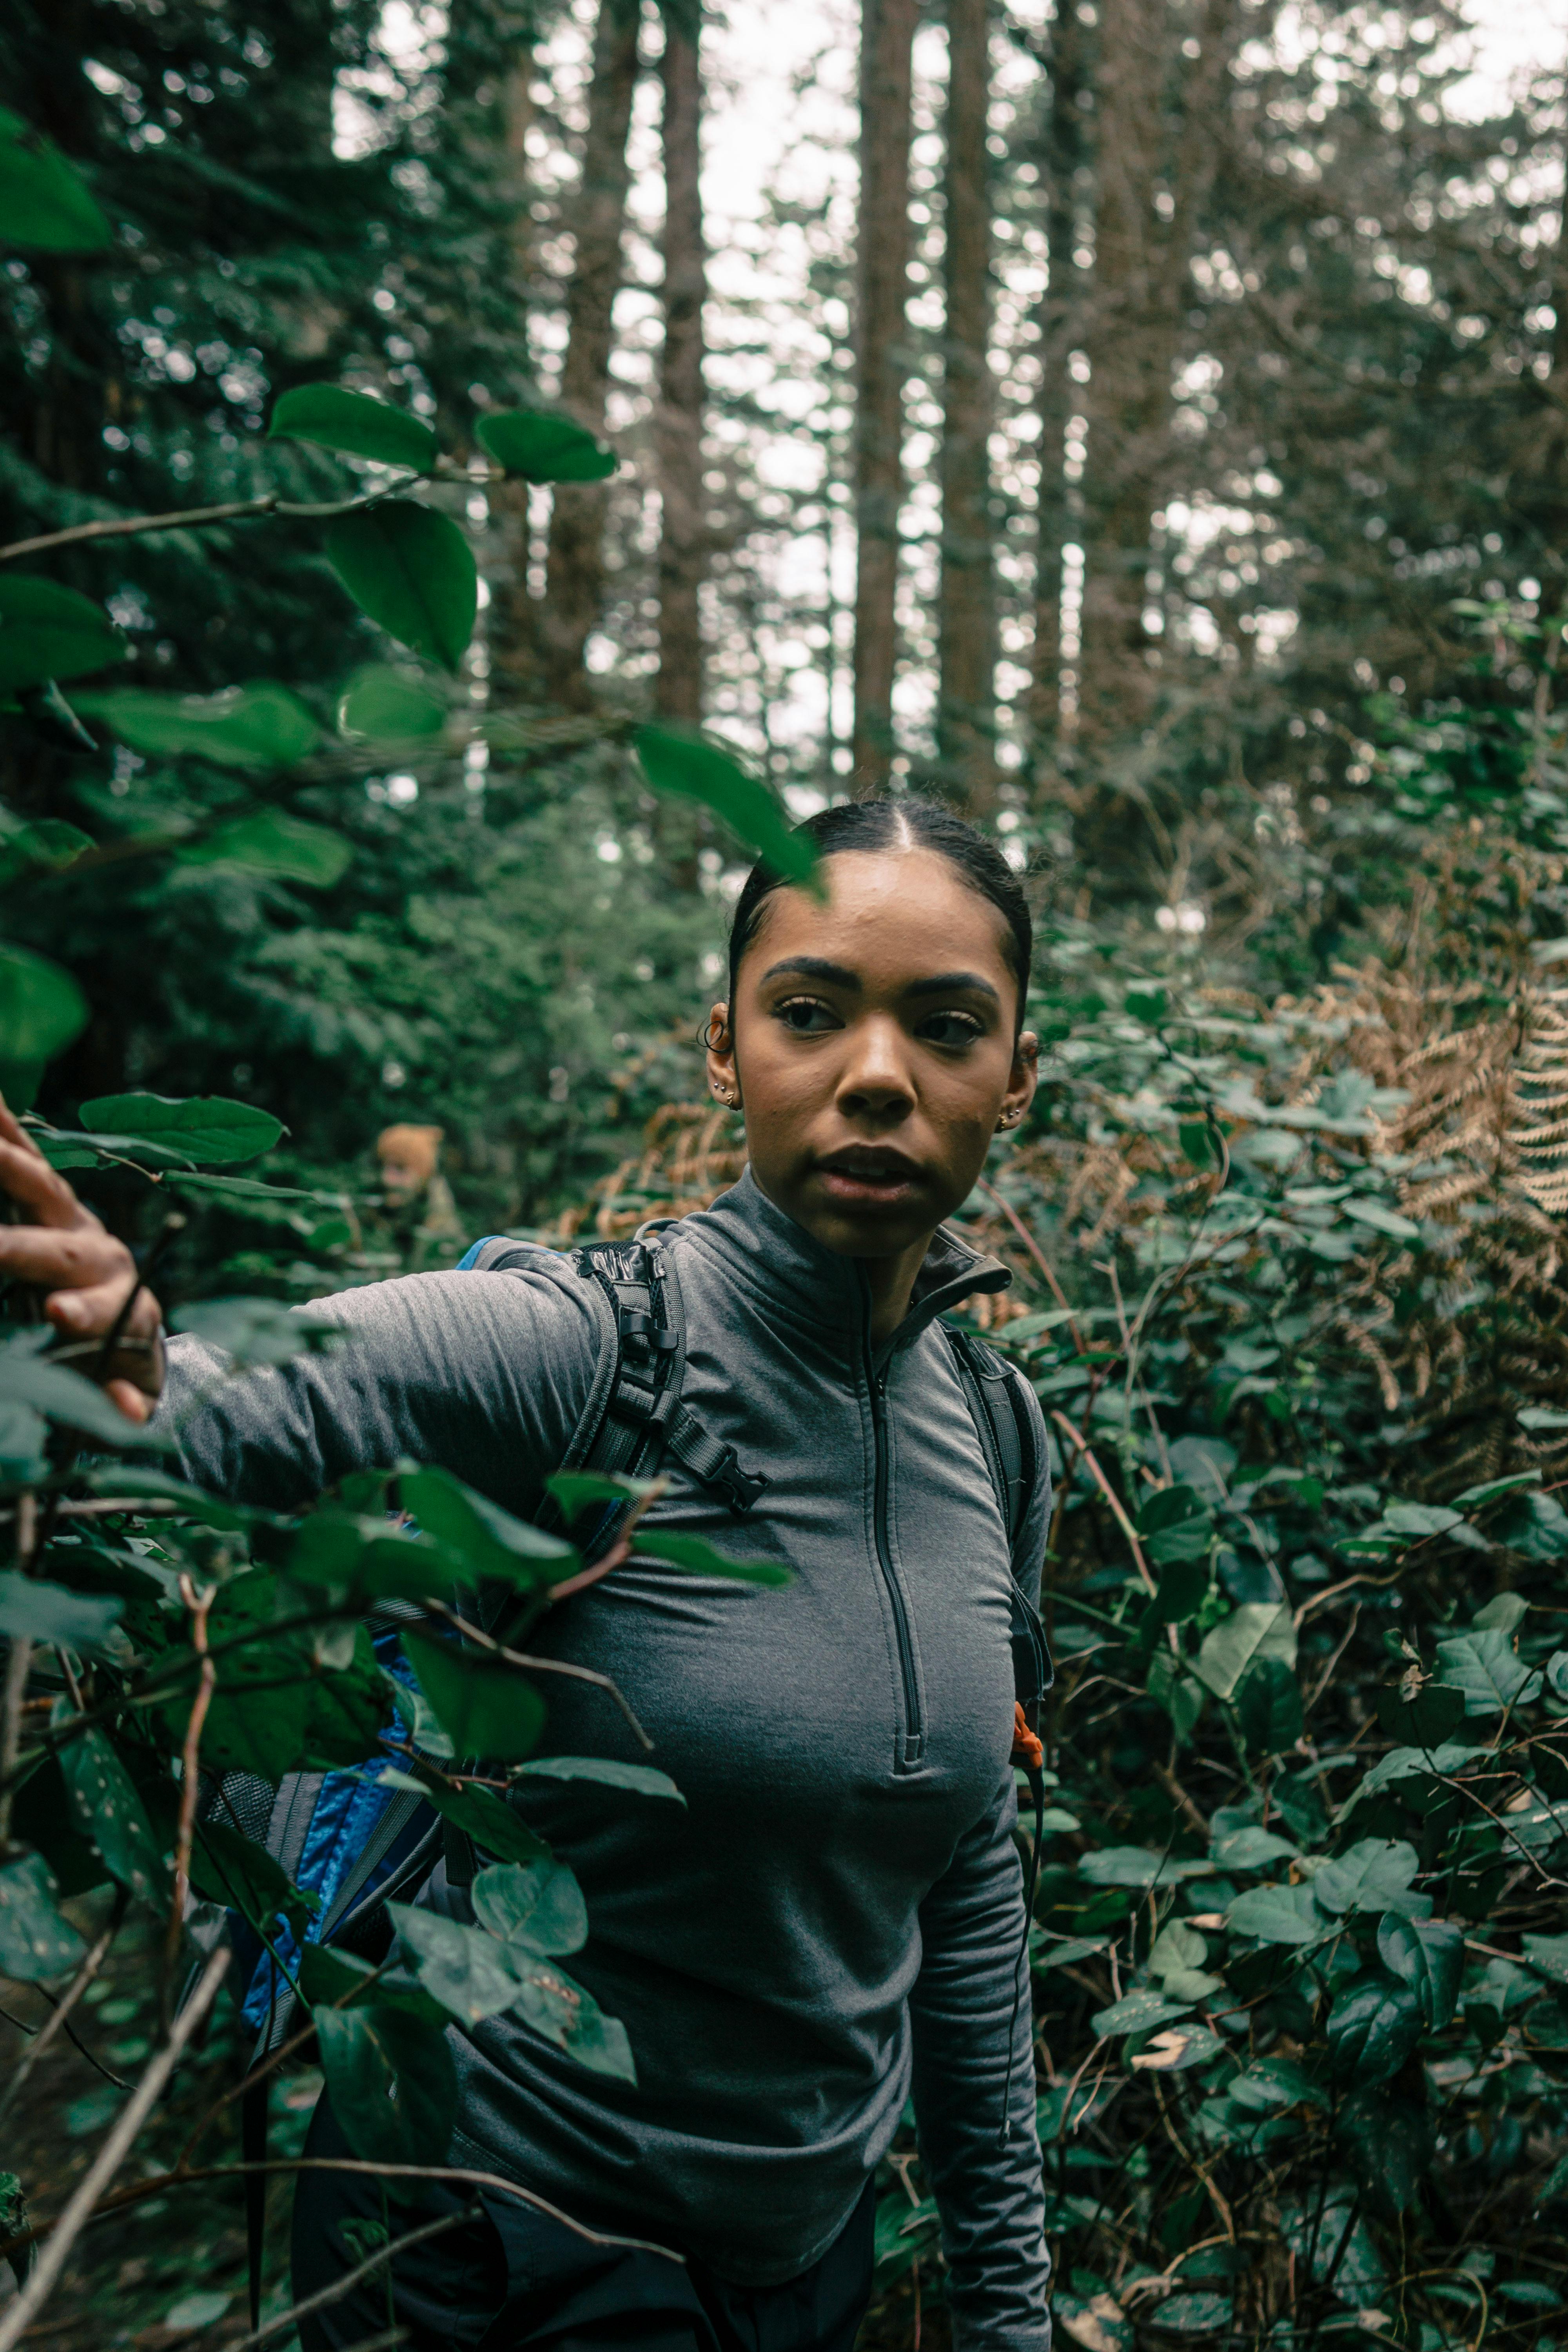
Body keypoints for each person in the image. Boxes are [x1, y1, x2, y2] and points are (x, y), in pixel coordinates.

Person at [0, 796, 1052, 2352]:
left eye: (946, 1027)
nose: (879, 1077)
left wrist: (1006, 2308)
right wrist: (116, 1367)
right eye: (812, 1013)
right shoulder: (586, 1350)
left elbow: (962, 1870)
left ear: (1015, 1075)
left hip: (810, 2271)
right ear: (726, 1049)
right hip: (498, 2252)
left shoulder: (1002, 1434)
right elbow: (223, 1397)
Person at [365, 1121, 466, 1272]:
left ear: (423, 1174)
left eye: (400, 1169)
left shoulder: (442, 1229)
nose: (386, 1179)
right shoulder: (376, 1211)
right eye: (385, 1166)